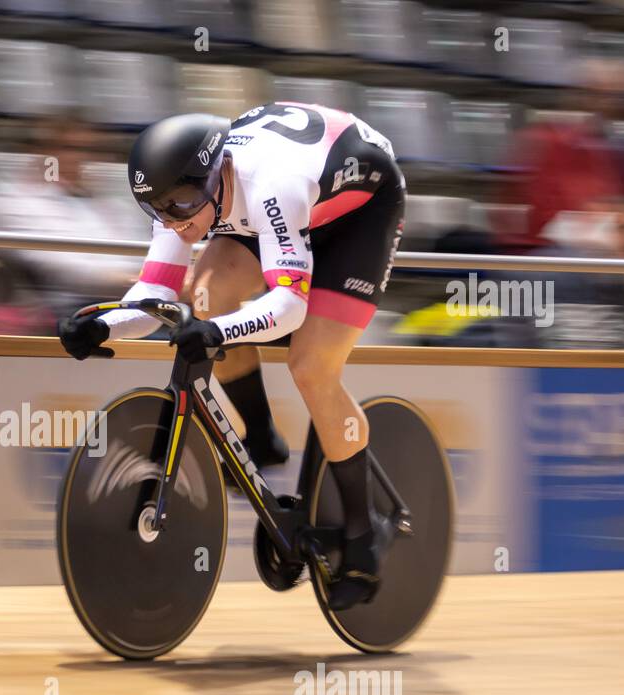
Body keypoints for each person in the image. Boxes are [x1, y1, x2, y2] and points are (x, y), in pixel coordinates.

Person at [57, 105, 406, 610]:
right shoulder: (180, 194)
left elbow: (289, 307)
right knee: (205, 293)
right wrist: (100, 325)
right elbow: (155, 295)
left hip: (358, 214)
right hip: (280, 203)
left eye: (180, 205)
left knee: (311, 367)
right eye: (157, 209)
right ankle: (261, 438)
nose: (172, 221)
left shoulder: (272, 184)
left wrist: (217, 331)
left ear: (215, 175)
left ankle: (363, 532)